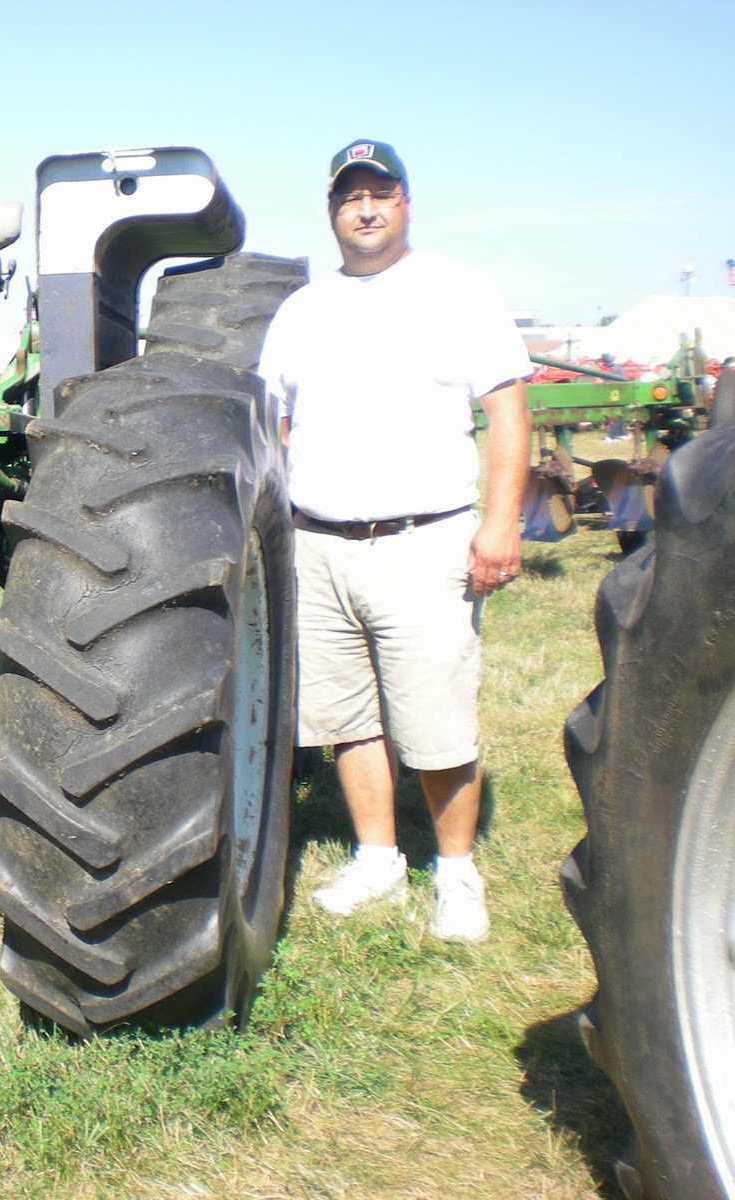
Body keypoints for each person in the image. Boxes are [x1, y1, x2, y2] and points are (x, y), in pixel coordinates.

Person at [258, 139, 532, 943]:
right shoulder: (302, 311)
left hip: (425, 538)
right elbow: (275, 424)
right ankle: (377, 858)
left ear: (406, 203)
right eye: (351, 197)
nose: (366, 208)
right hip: (321, 543)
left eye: (380, 193)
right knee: (349, 717)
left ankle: (456, 872)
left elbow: (509, 413)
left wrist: (501, 522)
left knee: (437, 719)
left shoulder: (457, 290)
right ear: (332, 212)